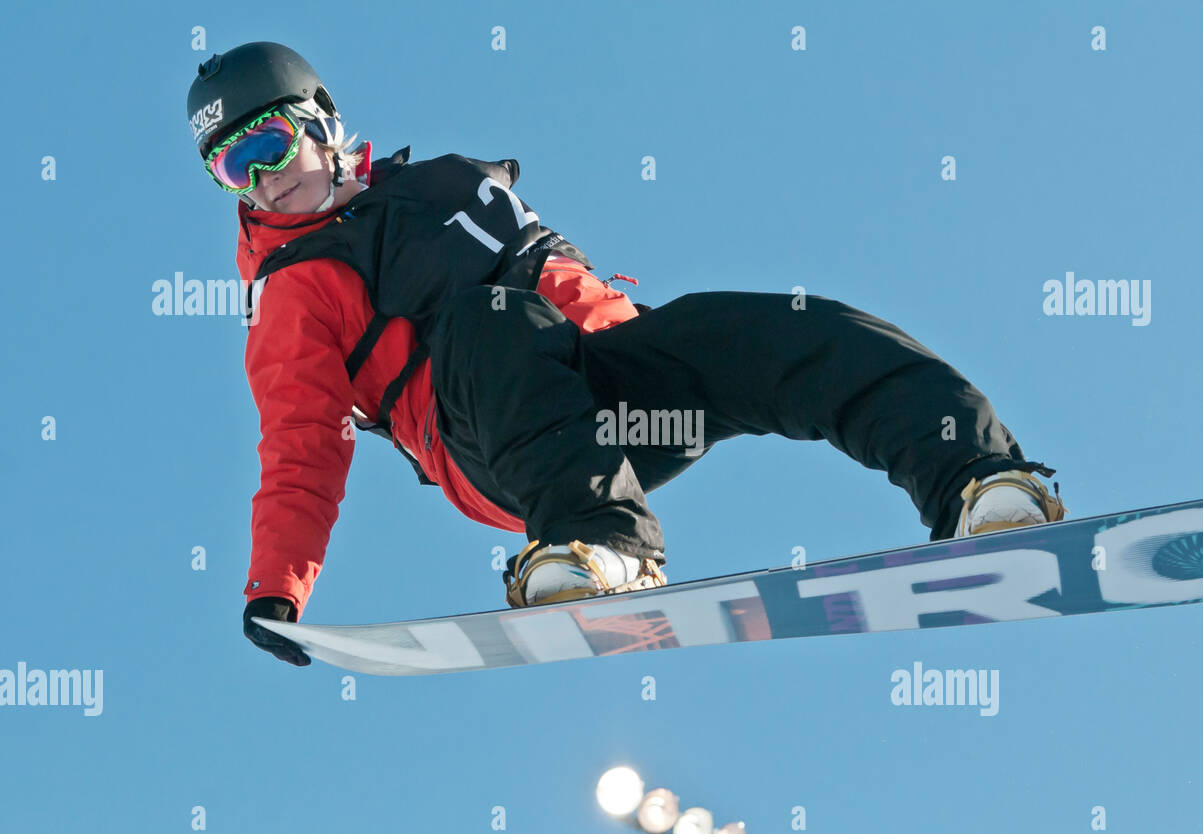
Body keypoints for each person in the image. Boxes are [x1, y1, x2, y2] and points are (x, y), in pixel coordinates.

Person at [186, 41, 1067, 668]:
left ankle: (977, 485)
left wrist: (655, 352)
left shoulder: (448, 181)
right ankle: (599, 544)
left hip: (601, 401)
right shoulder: (294, 289)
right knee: (486, 318)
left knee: (775, 329)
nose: (264, 181)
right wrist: (279, 588)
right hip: (493, 443)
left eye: (267, 145)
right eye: (234, 171)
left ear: (322, 122)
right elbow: (300, 444)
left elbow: (558, 274)